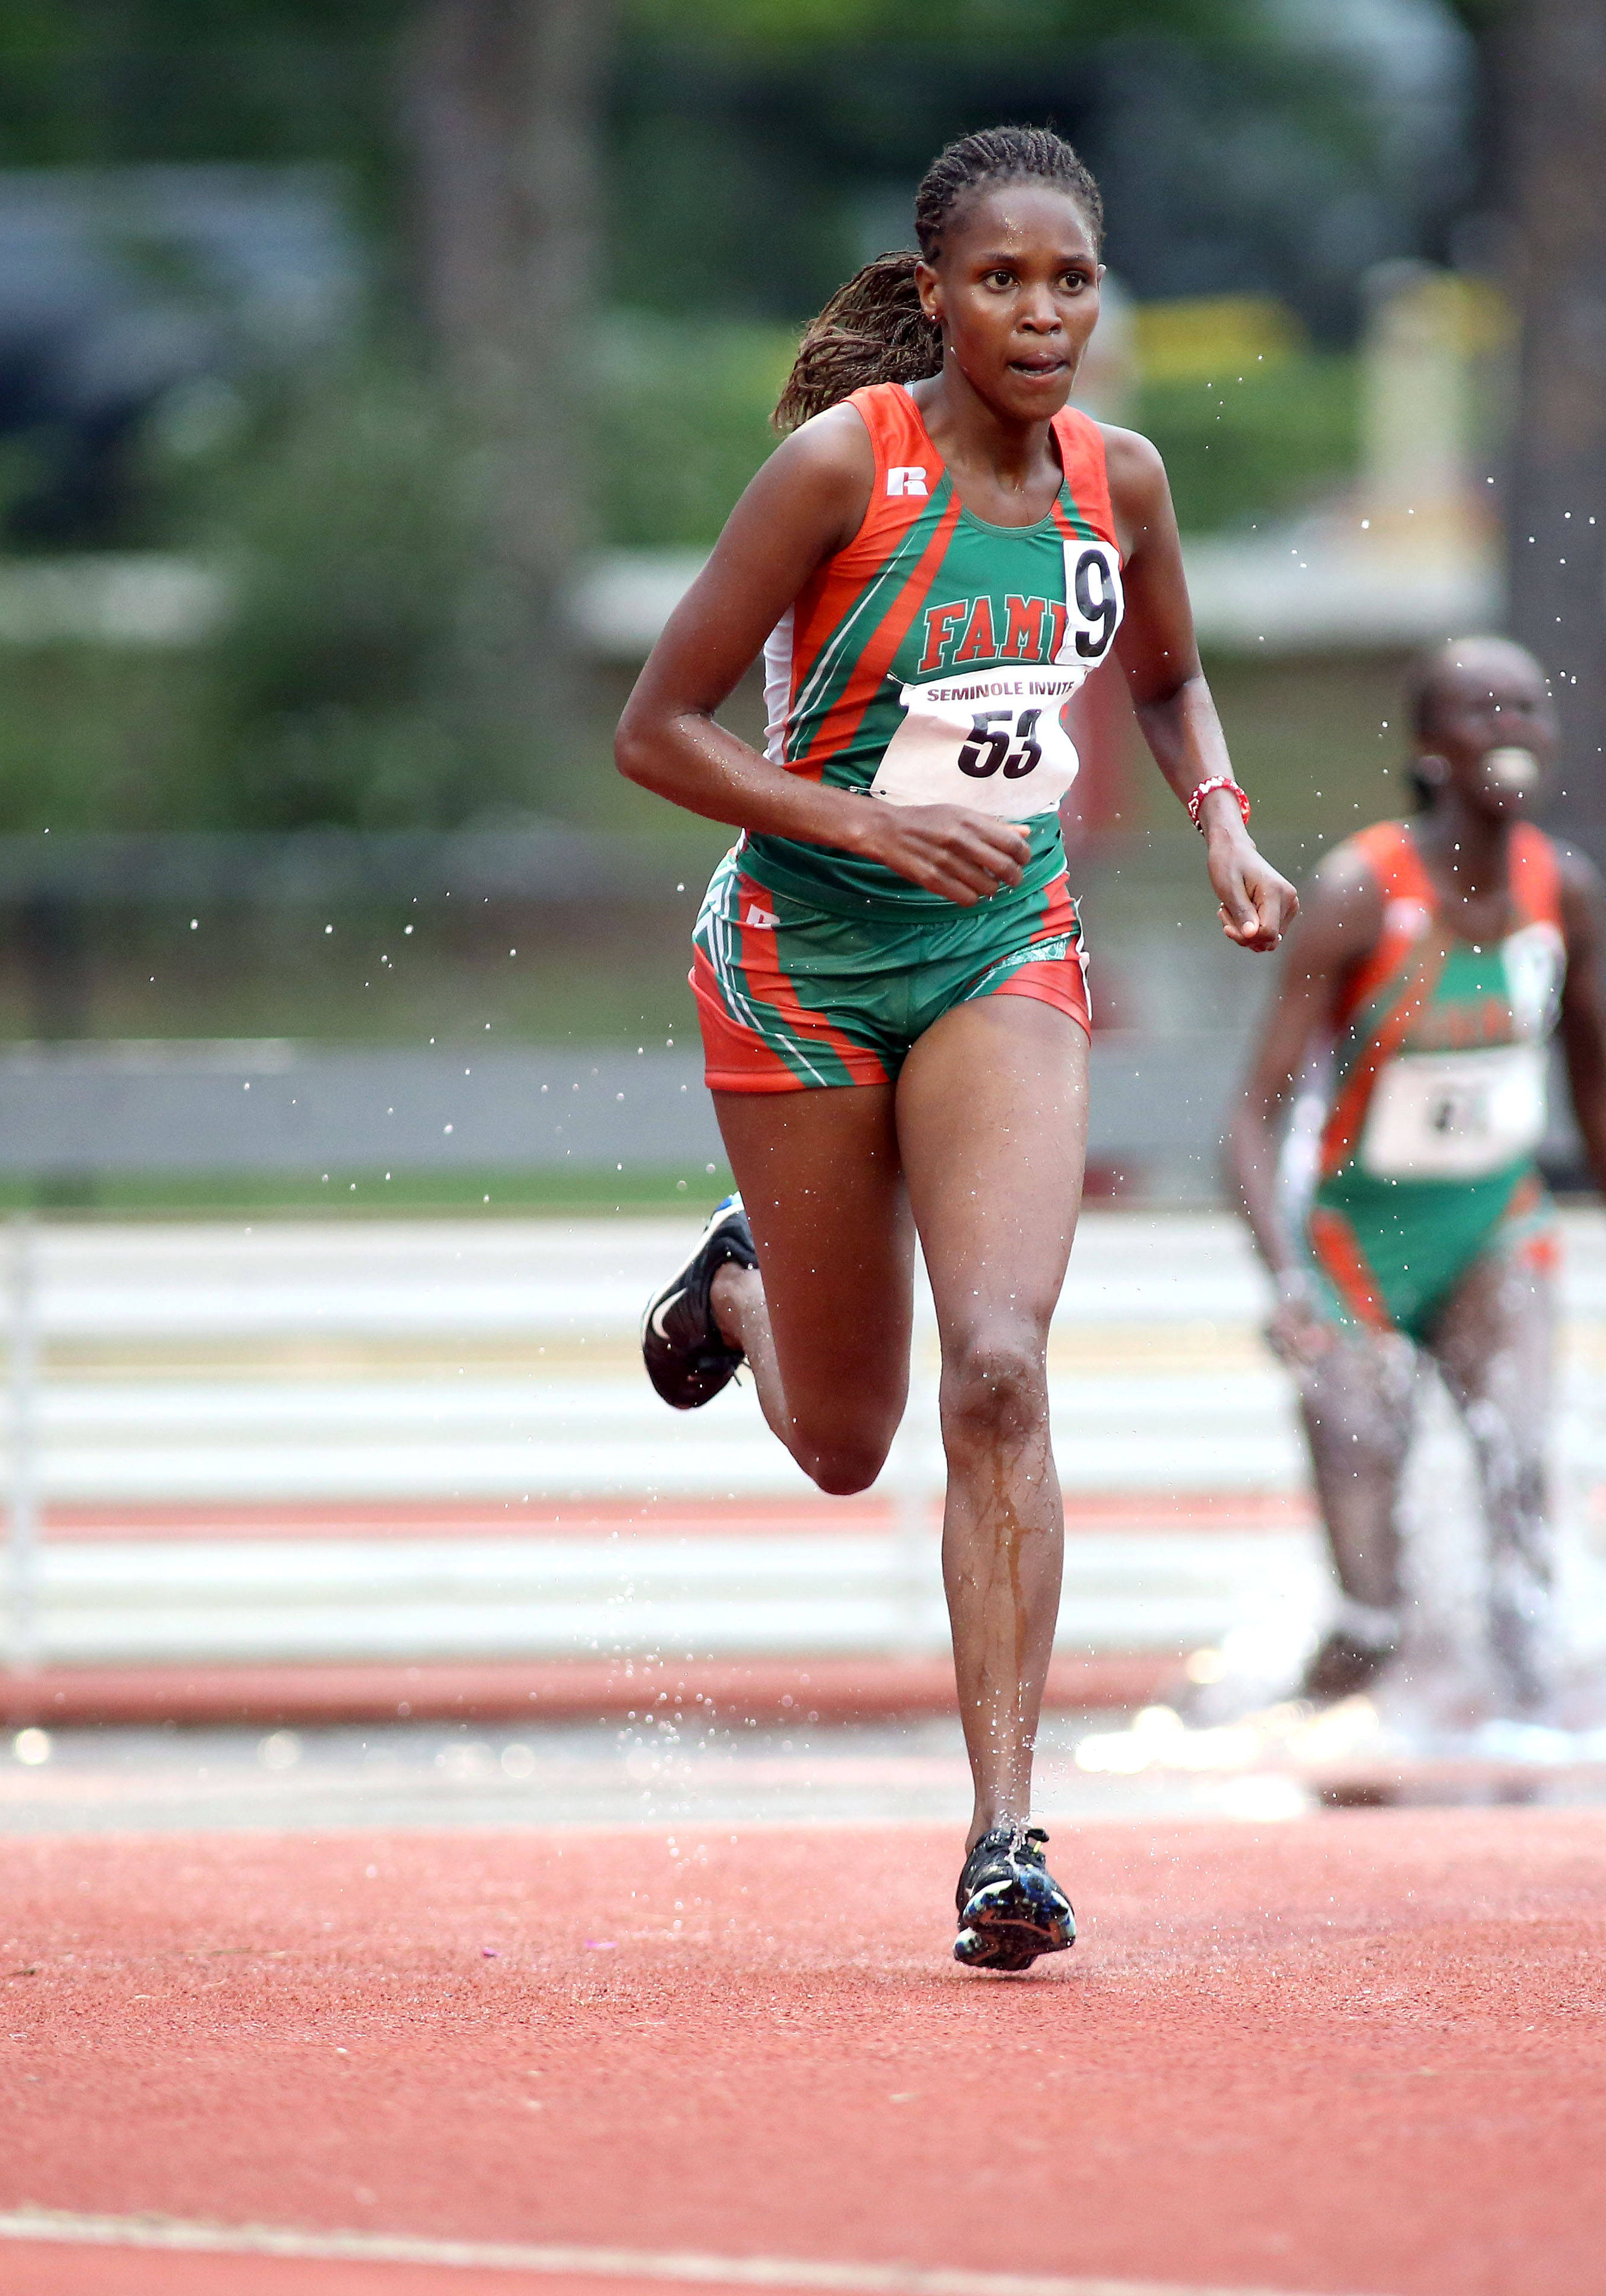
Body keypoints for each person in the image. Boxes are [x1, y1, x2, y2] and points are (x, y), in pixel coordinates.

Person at [613, 127, 1296, 1973]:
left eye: (1071, 279)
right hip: (805, 970)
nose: (1042, 311)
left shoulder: (1119, 483)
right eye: (1003, 279)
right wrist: (865, 828)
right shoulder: (843, 469)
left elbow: (1160, 674)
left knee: (998, 1363)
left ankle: (1007, 1827)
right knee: (847, 1439)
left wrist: (1222, 815)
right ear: (936, 295)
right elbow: (658, 732)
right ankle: (749, 1288)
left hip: (1006, 951)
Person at [1223, 637, 1606, 1717]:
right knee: (1374, 1611)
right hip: (1355, 1248)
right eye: (1482, 712)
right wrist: (1285, 1278)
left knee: (1522, 1502)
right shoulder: (1358, 893)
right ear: (1430, 747)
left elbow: (1601, 1100)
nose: (1511, 731)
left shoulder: (1564, 891)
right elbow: (1252, 1115)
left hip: (1491, 1228)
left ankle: (1531, 1756)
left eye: (1529, 709)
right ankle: (1306, 1731)